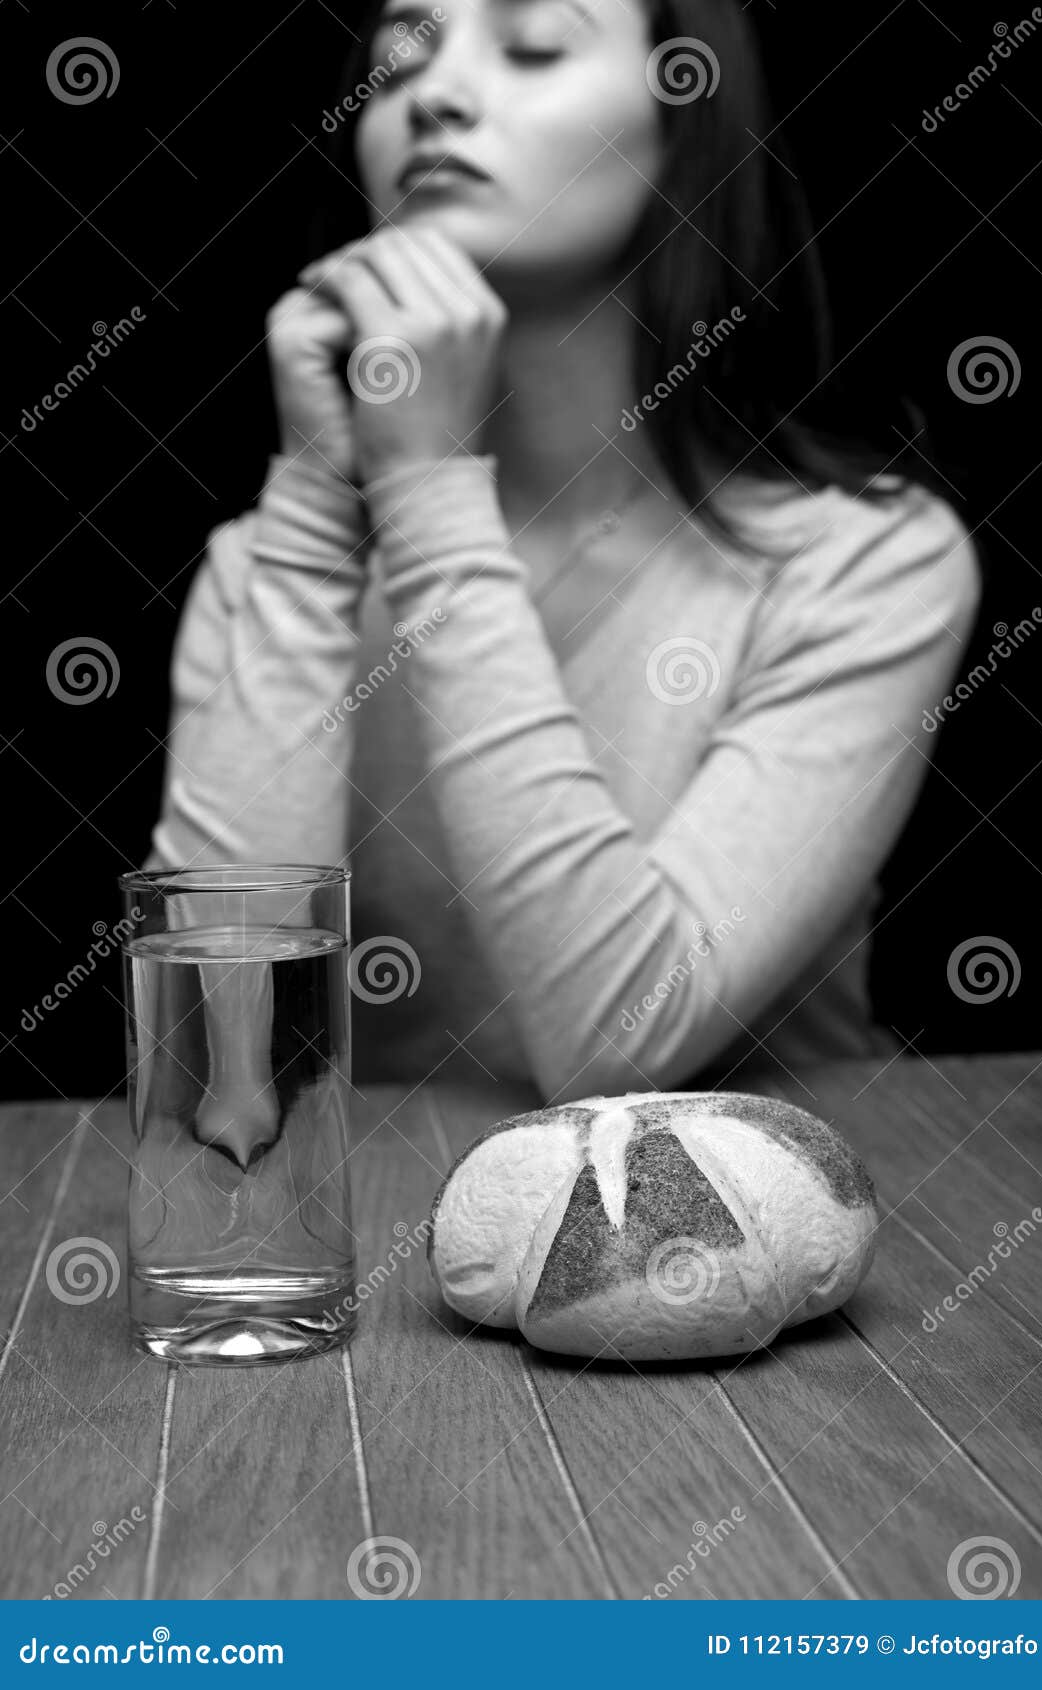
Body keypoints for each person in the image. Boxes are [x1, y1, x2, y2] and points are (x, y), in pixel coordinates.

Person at [144, 0, 982, 1106]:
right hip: (389, 1202)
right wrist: (309, 527)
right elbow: (216, 1057)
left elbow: (620, 1045)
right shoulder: (269, 567)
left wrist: (429, 494)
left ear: (684, 123)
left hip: (752, 1200)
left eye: (534, 45)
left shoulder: (865, 564)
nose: (434, 96)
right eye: (399, 60)